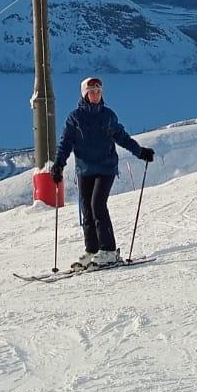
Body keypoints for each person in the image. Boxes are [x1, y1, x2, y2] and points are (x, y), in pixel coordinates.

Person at [51, 76, 154, 269]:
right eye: (92, 92)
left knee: (98, 204)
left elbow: (122, 138)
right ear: (85, 94)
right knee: (87, 210)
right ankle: (92, 250)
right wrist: (58, 164)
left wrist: (140, 152)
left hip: (106, 167)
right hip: (85, 169)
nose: (96, 95)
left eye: (99, 91)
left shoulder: (108, 115)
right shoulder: (75, 117)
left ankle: (108, 251)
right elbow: (66, 143)